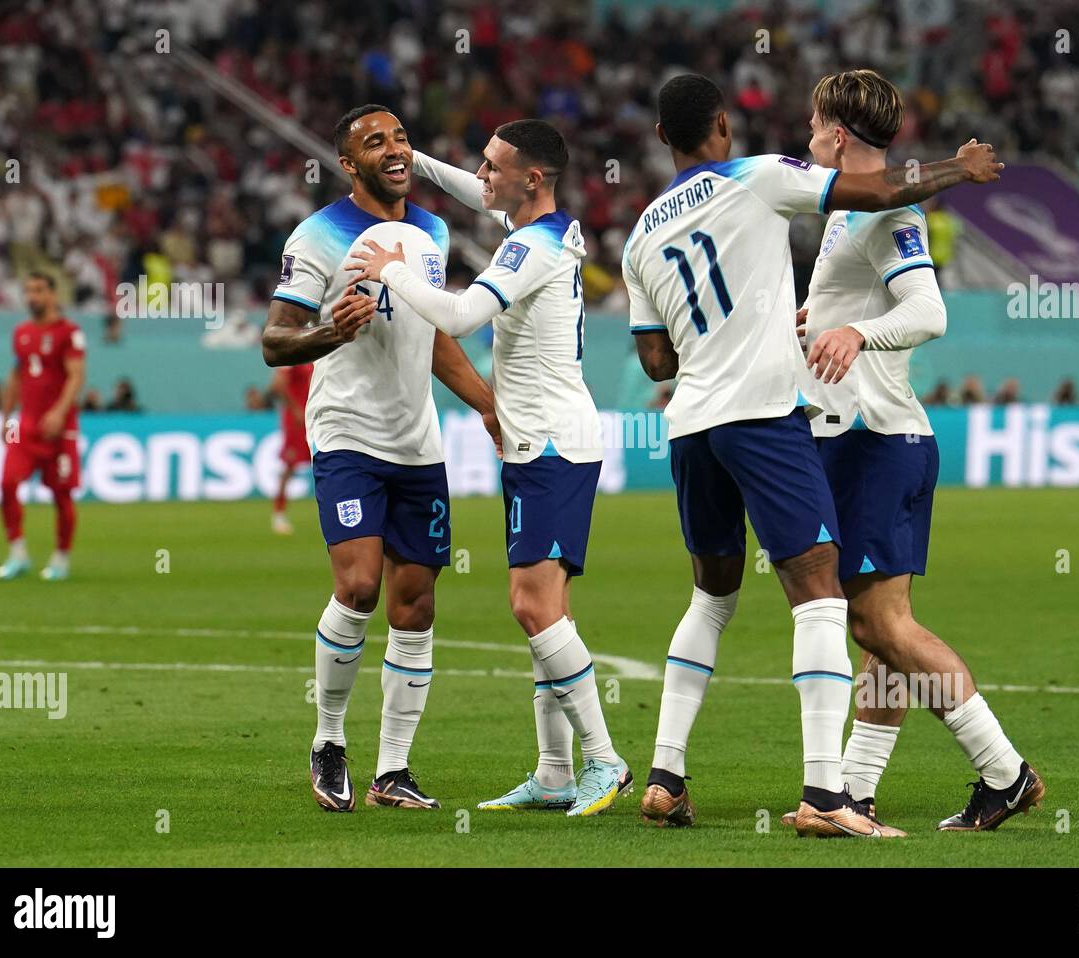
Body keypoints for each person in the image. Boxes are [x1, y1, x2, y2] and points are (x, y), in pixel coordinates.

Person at [622, 73, 1002, 838]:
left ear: (661, 137)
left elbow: (658, 362)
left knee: (712, 600)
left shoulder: (638, 234)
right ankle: (830, 795)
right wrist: (959, 168)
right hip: (765, 414)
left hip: (693, 422)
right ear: (723, 125)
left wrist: (757, 326)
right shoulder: (757, 177)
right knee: (826, 599)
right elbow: (874, 191)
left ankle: (666, 776)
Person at [347, 119, 631, 818]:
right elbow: (475, 193)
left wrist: (394, 272)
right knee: (547, 611)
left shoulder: (530, 247)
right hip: (537, 443)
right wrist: (417, 159)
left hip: (554, 448)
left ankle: (604, 760)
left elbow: (464, 314)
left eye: (491, 166)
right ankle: (555, 772)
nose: (480, 176)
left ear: (529, 179)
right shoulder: (552, 227)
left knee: (531, 607)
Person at [790, 68, 1041, 833]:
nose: (806, 134)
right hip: (860, 437)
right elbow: (857, 299)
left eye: (812, 123)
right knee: (878, 631)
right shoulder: (850, 210)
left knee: (881, 628)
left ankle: (1004, 771)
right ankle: (857, 789)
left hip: (878, 440)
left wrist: (856, 331)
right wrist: (820, 316)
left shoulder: (889, 217)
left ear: (836, 132)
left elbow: (928, 310)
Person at [262, 105, 498, 813]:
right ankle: (329, 738)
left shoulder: (432, 230)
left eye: (398, 138)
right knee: (360, 586)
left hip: (416, 443)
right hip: (345, 434)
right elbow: (276, 340)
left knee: (415, 604)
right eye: (375, 143)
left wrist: (486, 403)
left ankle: (393, 770)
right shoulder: (321, 234)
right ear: (349, 163)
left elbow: (434, 334)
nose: (393, 150)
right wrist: (330, 334)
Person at [0, 272, 85, 583]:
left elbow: (76, 375)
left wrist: (60, 412)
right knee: (6, 483)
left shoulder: (69, 332)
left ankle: (61, 557)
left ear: (53, 295)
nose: (32, 297)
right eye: (28, 291)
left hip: (60, 428)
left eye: (38, 290)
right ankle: (17, 553)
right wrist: (5, 417)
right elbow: (17, 376)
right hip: (25, 426)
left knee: (62, 495)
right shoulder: (21, 332)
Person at [269, 362, 313, 535]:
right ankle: (279, 514)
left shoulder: (314, 353)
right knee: (290, 466)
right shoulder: (293, 355)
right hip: (297, 421)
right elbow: (277, 385)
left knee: (323, 462)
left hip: (312, 417)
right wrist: (295, 409)